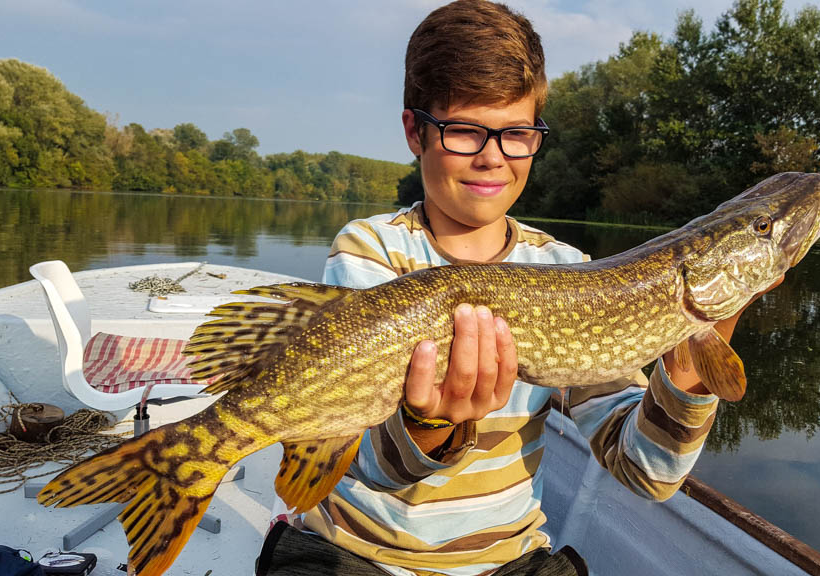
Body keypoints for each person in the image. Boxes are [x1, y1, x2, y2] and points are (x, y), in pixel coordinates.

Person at [257, 1, 781, 575]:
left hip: (504, 562)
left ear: (536, 134)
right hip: (359, 553)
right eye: (463, 131)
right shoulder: (371, 250)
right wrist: (432, 423)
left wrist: (712, 321)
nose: (492, 157)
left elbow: (648, 471)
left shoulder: (568, 272)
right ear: (415, 131)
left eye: (516, 133)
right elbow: (367, 467)